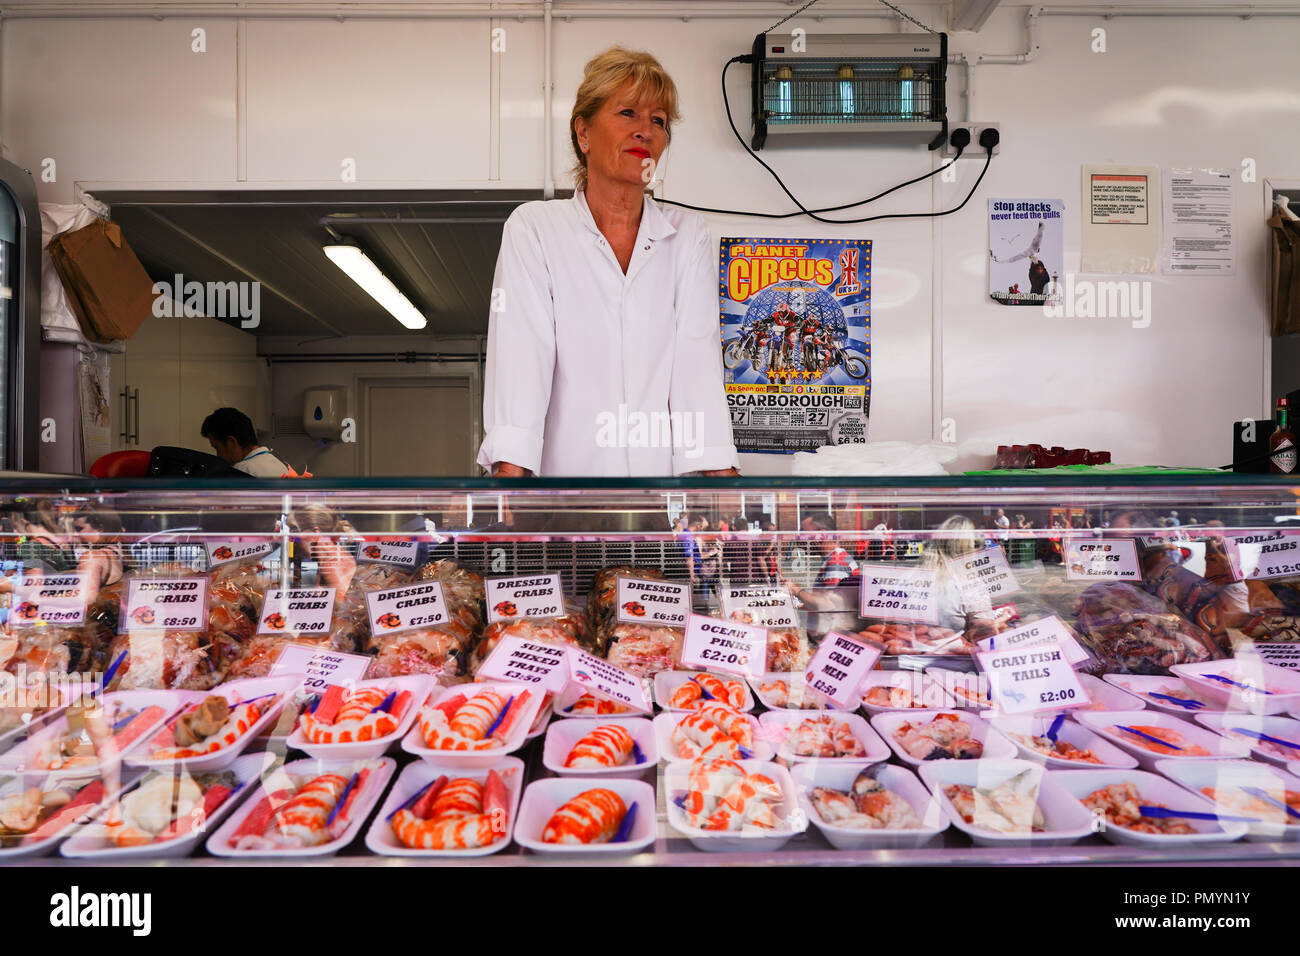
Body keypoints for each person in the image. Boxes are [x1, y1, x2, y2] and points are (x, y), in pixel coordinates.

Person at [478, 47, 739, 478]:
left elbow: (697, 367)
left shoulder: (687, 236)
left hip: (661, 509)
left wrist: (724, 494)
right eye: (628, 114)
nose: (645, 131)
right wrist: (512, 493)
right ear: (584, 133)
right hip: (561, 508)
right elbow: (522, 361)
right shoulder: (536, 229)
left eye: (658, 121)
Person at [201, 407, 290, 478]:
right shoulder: (280, 465)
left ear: (231, 442)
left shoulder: (241, 471)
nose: (218, 456)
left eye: (217, 447)